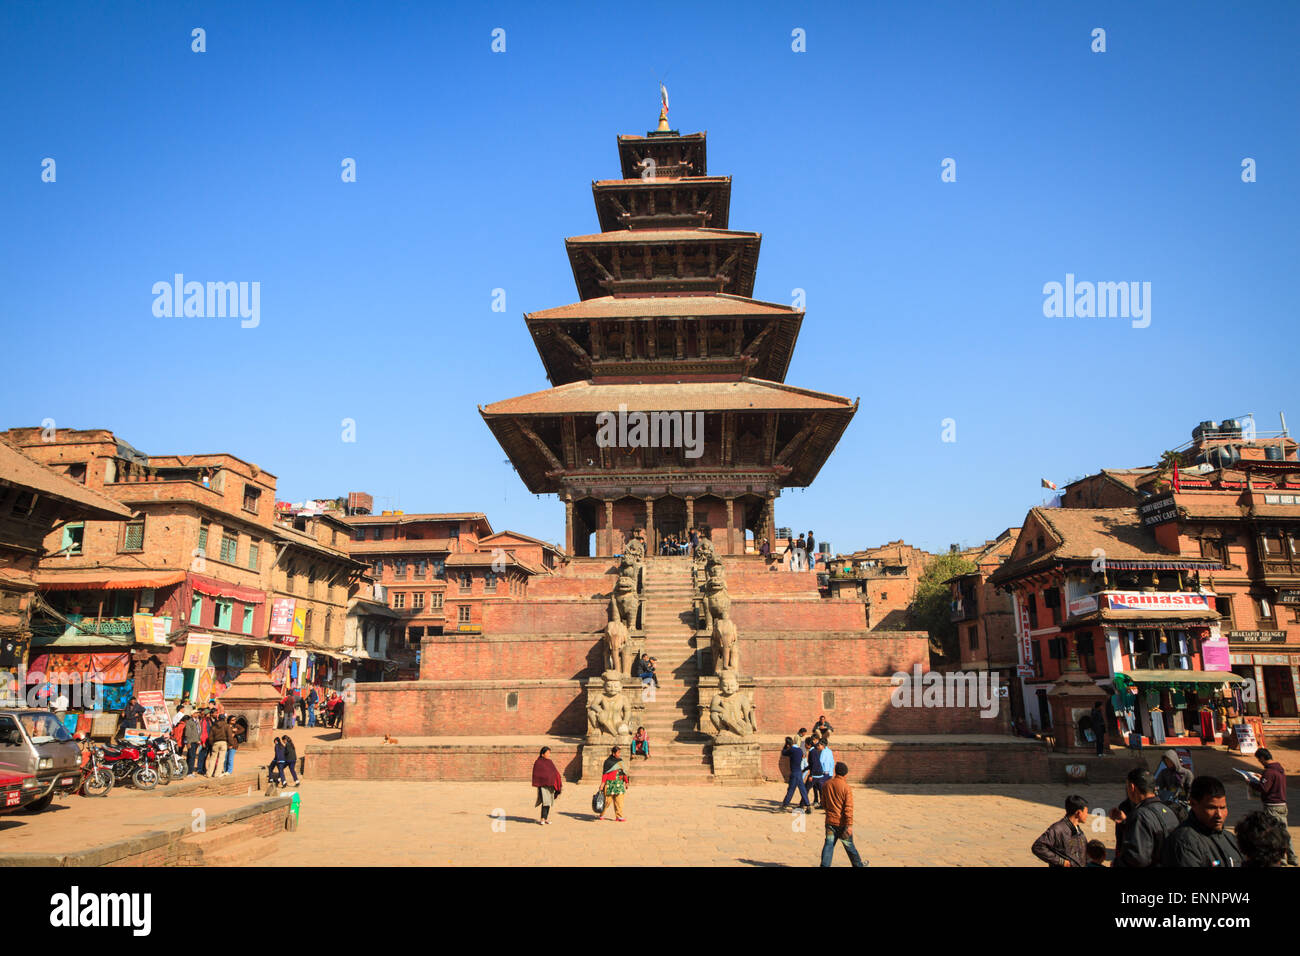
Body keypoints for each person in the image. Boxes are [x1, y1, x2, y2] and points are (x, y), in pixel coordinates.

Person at [1161, 776, 1241, 867]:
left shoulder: (1229, 838)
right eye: (1211, 808)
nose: (1219, 815)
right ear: (1193, 804)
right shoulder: (1184, 843)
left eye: (1222, 808)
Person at [1111, 768, 1178, 867]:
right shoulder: (1168, 810)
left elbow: (1136, 858)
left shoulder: (1140, 815)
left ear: (1132, 787)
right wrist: (1125, 822)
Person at [1244, 747, 1297, 865]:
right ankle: (1291, 857)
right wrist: (1261, 778)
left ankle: (1282, 858)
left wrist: (1251, 783)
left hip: (1272, 806)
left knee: (1274, 833)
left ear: (1262, 758)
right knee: (1283, 831)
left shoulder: (1268, 772)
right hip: (1282, 804)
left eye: (1259, 760)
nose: (1260, 762)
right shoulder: (1279, 769)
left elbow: (1264, 788)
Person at [819, 762, 866, 867]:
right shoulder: (846, 788)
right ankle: (858, 865)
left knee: (828, 845)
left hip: (830, 822)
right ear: (845, 774)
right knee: (849, 846)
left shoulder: (827, 784)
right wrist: (849, 825)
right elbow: (848, 808)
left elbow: (824, 803)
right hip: (843, 823)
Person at [1031, 795, 1089, 867]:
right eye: (1086, 812)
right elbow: (1038, 846)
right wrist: (1062, 862)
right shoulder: (1057, 829)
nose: (1087, 815)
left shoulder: (1078, 830)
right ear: (1079, 813)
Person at [596, 745, 629, 822]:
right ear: (613, 753)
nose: (619, 754)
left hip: (619, 784)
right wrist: (602, 784)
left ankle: (619, 816)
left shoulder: (621, 761)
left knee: (619, 801)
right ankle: (602, 814)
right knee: (607, 801)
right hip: (610, 784)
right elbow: (605, 774)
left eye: (619, 752)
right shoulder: (607, 762)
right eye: (618, 753)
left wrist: (626, 782)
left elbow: (623, 773)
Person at [532, 746, 563, 824]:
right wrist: (545, 778)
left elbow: (554, 772)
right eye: (547, 753)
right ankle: (542, 819)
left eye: (549, 753)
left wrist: (556, 779)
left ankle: (545, 818)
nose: (549, 754)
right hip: (543, 786)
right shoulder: (538, 762)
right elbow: (537, 774)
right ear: (542, 754)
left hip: (551, 785)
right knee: (545, 802)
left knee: (549, 802)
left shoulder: (550, 762)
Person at [780, 737, 811, 812]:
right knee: (802, 789)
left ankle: (785, 805)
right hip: (799, 772)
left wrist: (785, 746)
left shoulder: (791, 750)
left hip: (794, 772)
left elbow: (783, 752)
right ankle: (808, 805)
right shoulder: (799, 750)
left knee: (791, 789)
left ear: (788, 744)